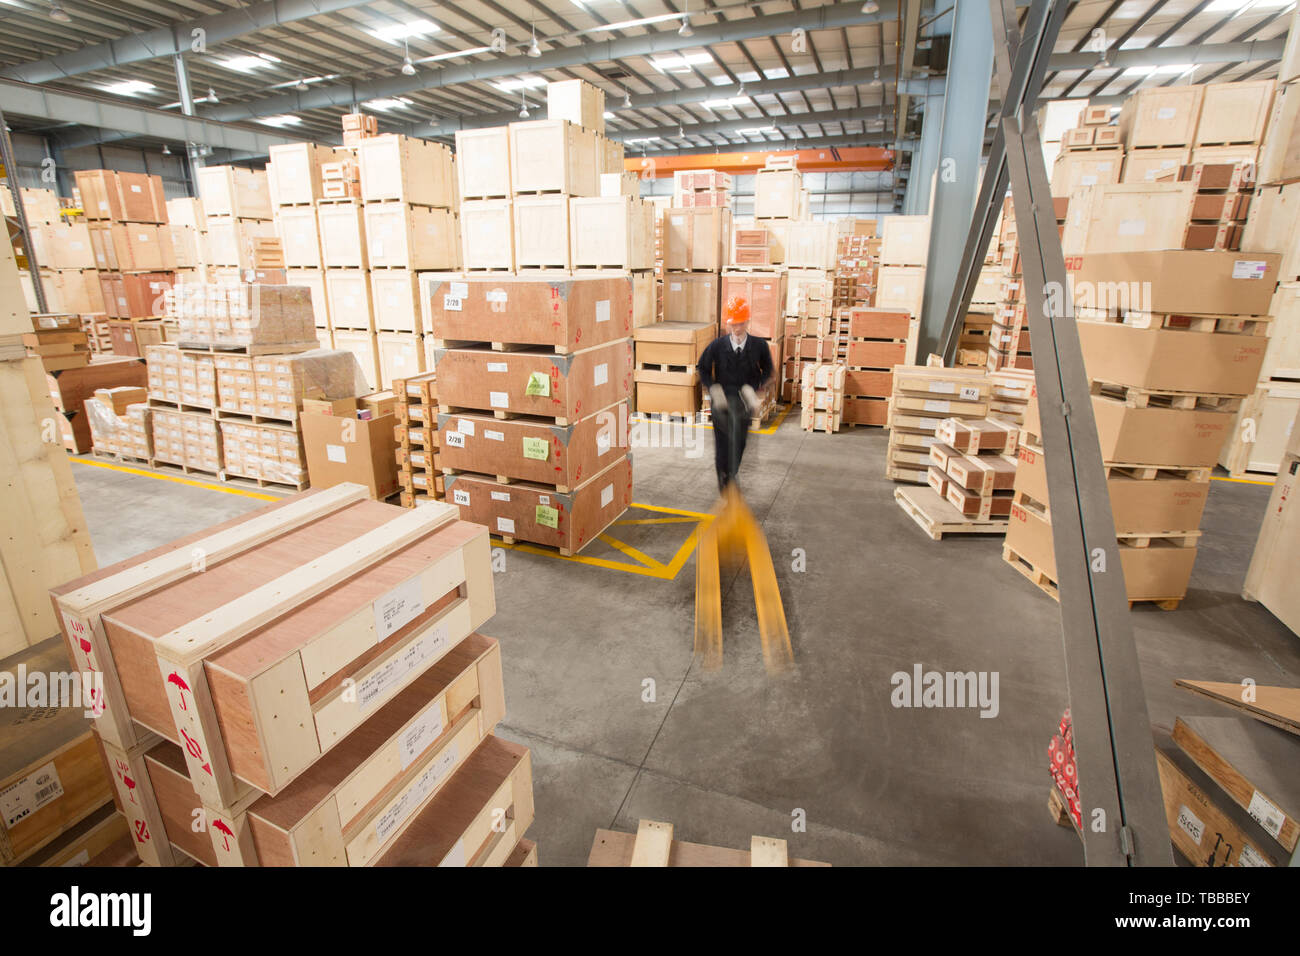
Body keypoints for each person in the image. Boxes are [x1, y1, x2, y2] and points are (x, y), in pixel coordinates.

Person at [698, 296, 774, 492]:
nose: (737, 329)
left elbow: (768, 369)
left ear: (747, 322)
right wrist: (712, 387)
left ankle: (732, 474)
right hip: (722, 401)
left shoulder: (759, 346)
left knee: (739, 442)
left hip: (743, 402)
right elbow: (702, 368)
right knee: (723, 444)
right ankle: (725, 480)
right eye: (733, 324)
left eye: (740, 324)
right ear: (728, 324)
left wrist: (756, 387)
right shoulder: (717, 346)